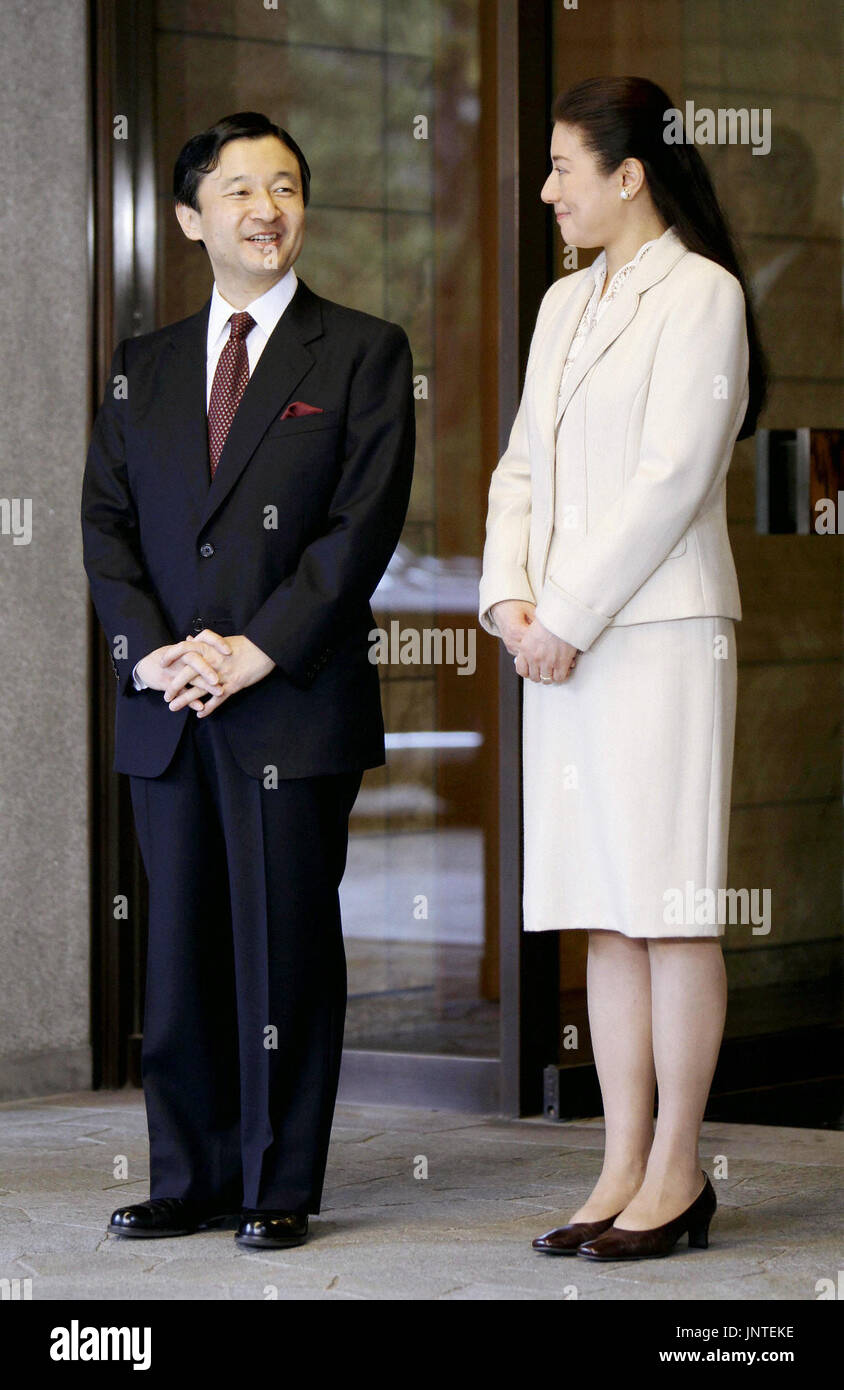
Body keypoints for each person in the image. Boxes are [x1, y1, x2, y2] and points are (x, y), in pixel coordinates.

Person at [81, 112, 415, 1250]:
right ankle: (189, 1174)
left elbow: (357, 530)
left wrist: (252, 649)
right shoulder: (144, 366)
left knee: (282, 950)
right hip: (168, 705)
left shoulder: (363, 351)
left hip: (291, 700)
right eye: (237, 190)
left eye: (283, 186)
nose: (265, 208)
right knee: (176, 958)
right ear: (190, 219)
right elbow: (106, 527)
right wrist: (154, 652)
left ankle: (276, 1183)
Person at [479, 76, 768, 1261]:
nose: (548, 191)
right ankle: (617, 1161)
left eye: (561, 168)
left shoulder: (703, 295)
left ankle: (679, 1168)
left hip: (655, 639)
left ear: (627, 174)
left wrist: (572, 614)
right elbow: (519, 466)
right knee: (604, 911)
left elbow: (671, 479)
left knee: (670, 908)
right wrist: (506, 597)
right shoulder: (562, 305)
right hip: (562, 642)